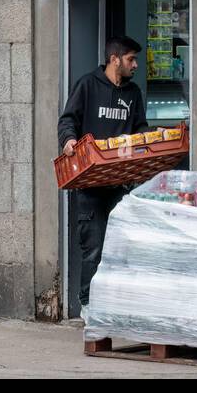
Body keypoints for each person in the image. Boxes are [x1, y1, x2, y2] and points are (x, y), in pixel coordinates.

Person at [58, 35, 150, 307]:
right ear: (114, 59)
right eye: (131, 59)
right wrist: (68, 140)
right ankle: (89, 309)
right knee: (94, 251)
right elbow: (68, 120)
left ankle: (116, 308)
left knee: (122, 250)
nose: (135, 65)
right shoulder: (87, 85)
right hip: (91, 188)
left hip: (121, 187)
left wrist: (149, 141)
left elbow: (140, 129)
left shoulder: (133, 94)